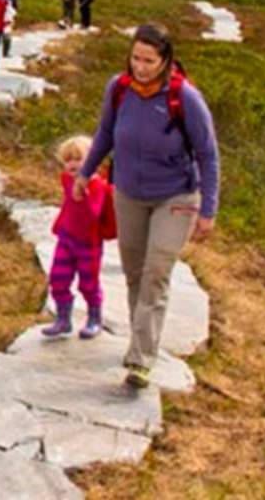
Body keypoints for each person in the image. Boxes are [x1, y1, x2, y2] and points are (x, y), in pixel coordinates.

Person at [71, 23, 219, 389]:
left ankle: (141, 359)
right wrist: (85, 174)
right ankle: (141, 340)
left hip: (177, 196)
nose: (140, 66)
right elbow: (105, 132)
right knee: (135, 272)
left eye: (149, 60)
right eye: (136, 58)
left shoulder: (184, 97)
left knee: (156, 272)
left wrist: (209, 209)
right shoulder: (119, 89)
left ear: (165, 60)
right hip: (128, 194)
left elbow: (208, 154)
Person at [44, 135, 111, 340]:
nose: (72, 164)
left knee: (88, 283)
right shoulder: (66, 179)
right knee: (58, 277)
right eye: (67, 160)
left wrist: (85, 192)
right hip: (67, 238)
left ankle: (94, 317)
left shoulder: (98, 186)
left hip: (88, 243)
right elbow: (68, 204)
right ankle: (63, 319)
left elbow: (93, 214)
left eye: (78, 159)